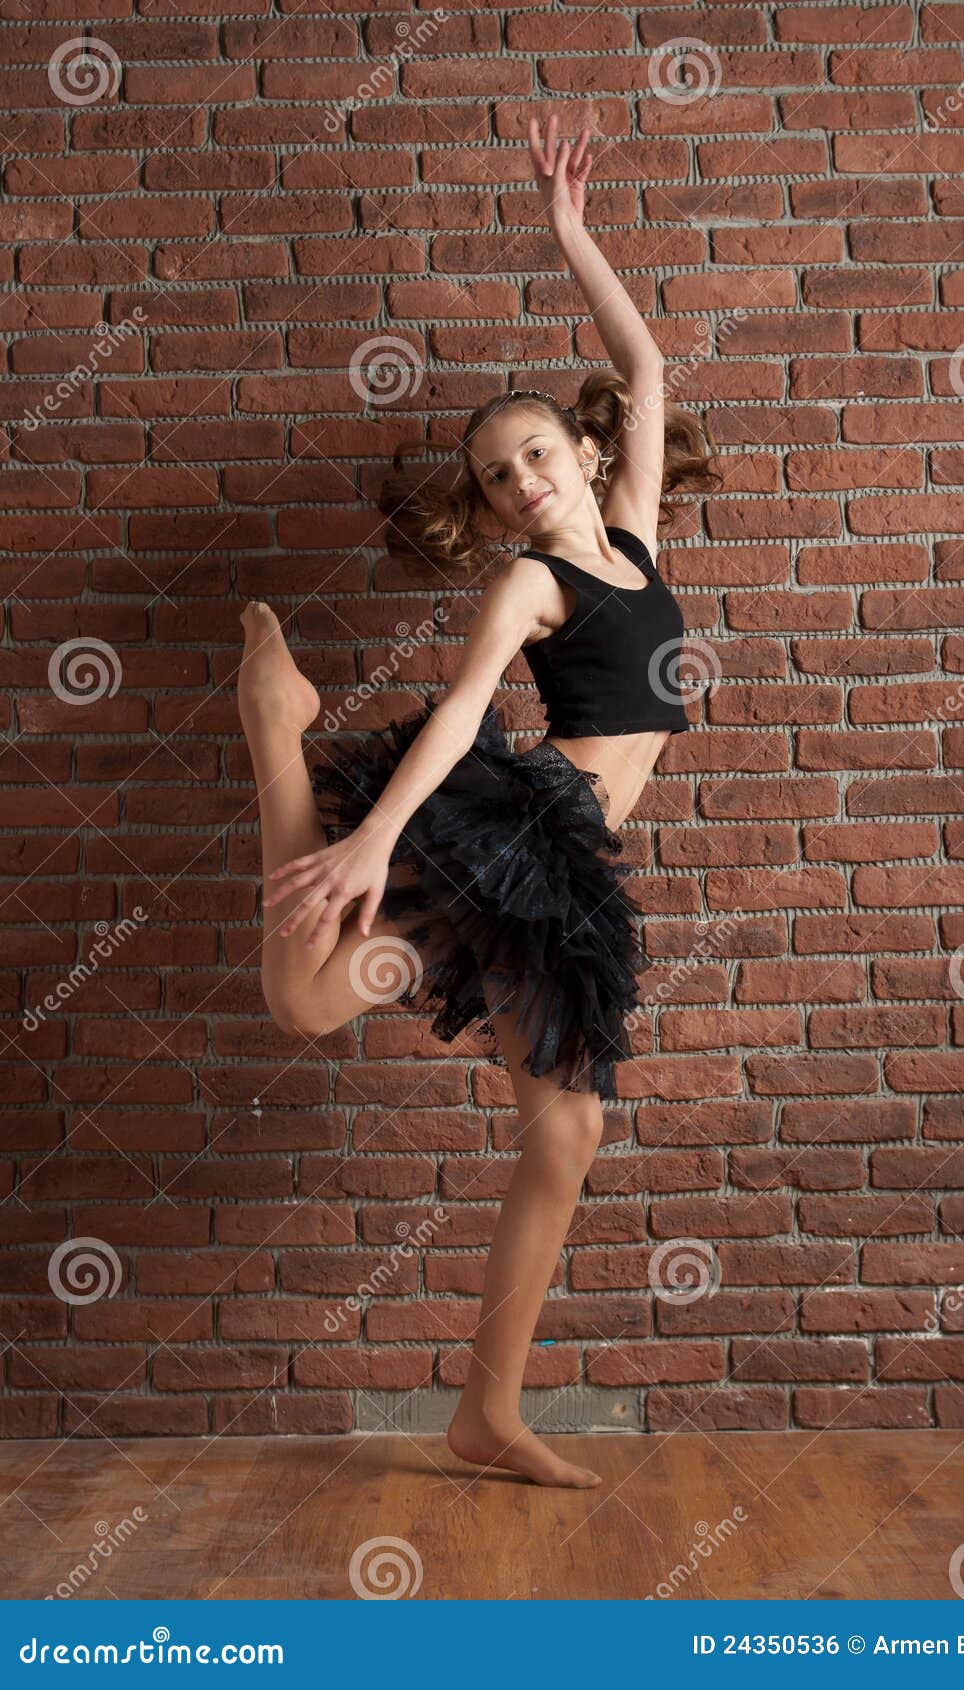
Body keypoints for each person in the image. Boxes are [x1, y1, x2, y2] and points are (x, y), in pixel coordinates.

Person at [236, 113, 722, 1489]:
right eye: (499, 476)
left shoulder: (630, 529)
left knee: (563, 1135)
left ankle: (484, 1412)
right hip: (512, 836)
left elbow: (646, 361)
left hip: (570, 869)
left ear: (578, 446)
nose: (520, 478)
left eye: (533, 451)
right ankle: (277, 728)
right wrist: (376, 839)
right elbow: (461, 714)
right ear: (500, 510)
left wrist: (571, 236)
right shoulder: (528, 583)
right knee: (304, 1002)